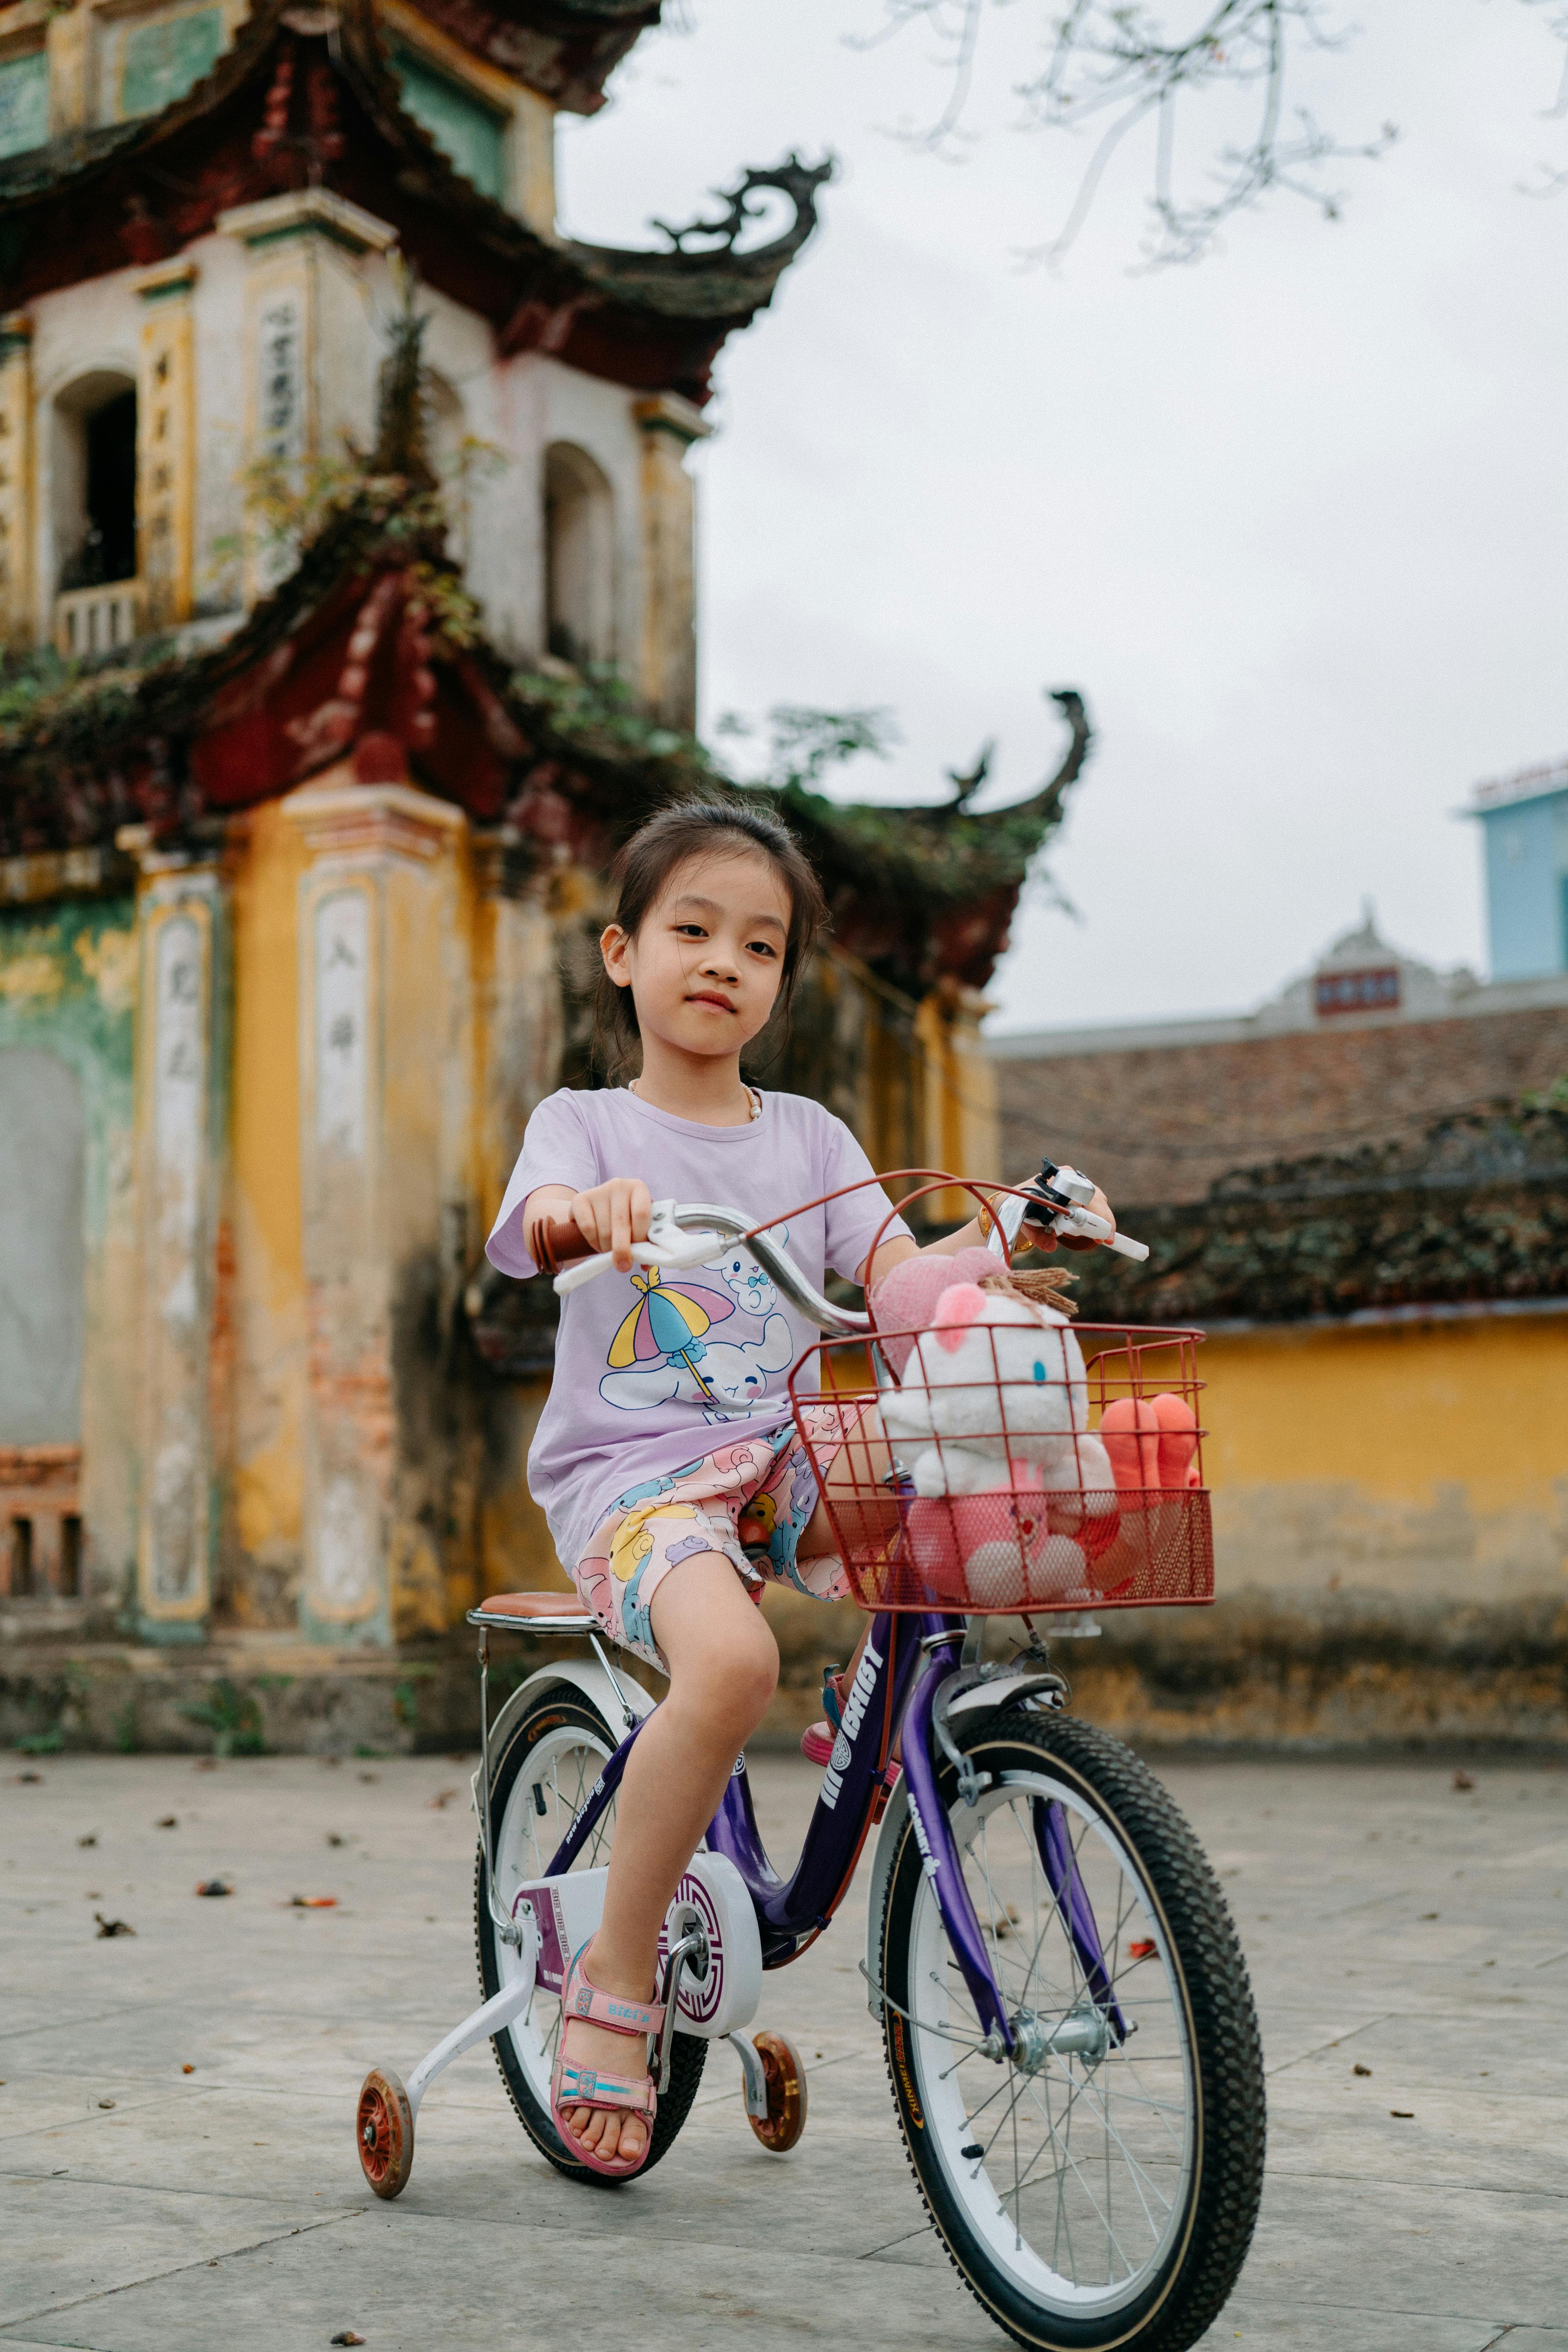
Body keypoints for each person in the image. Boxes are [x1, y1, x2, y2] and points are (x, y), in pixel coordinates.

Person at [485, 799, 1112, 2177]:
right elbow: (525, 1231)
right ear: (622, 953)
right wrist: (586, 1214)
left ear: (781, 979)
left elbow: (894, 1291)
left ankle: (880, 1704)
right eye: (691, 931)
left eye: (759, 945)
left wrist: (991, 1239)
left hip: (777, 1465)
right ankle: (614, 1978)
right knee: (727, 1670)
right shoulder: (585, 1123)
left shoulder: (817, 1140)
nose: (723, 962)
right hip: (635, 1484)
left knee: (957, 1479)